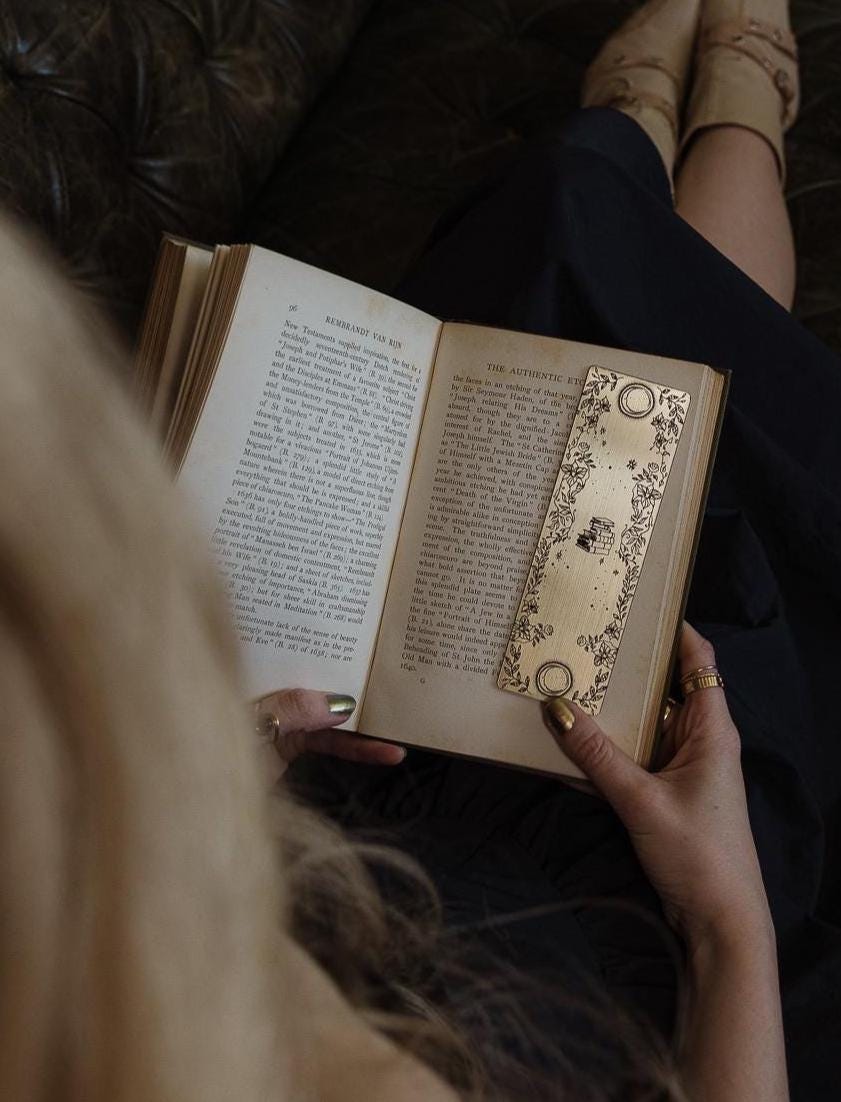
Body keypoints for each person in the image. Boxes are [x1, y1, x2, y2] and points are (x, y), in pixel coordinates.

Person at [2, 4, 838, 1102]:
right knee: (706, 478)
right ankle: (723, 97)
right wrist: (725, 918)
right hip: (659, 932)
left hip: (352, 799)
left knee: (546, 314)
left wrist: (206, 806)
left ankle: (633, 120)